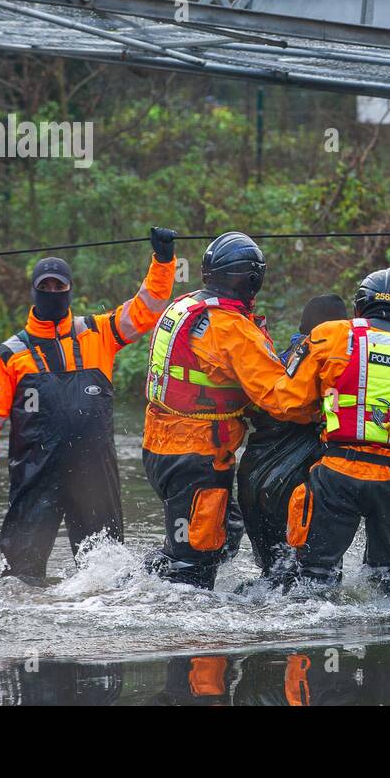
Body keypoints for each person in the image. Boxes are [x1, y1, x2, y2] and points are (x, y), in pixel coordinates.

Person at [0, 228, 176, 582]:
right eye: (46, 287)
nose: (53, 293)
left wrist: (163, 260)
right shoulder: (8, 355)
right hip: (36, 475)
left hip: (93, 474)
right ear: (35, 291)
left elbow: (148, 309)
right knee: (20, 579)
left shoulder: (99, 332)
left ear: (69, 290)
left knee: (107, 578)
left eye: (59, 287)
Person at [262, 269, 390, 593]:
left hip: (337, 476)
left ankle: (317, 638)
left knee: (315, 581)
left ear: (358, 308)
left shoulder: (329, 335)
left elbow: (289, 403)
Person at [143, 231, 285, 589]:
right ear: (253, 278)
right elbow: (281, 398)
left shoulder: (184, 306)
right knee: (192, 566)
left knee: (227, 531)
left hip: (162, 450)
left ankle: (142, 581)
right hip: (197, 456)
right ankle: (182, 634)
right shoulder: (232, 328)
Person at [236, 294, 347, 581]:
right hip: (298, 479)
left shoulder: (277, 359)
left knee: (272, 572)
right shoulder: (336, 360)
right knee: (311, 576)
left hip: (253, 476)